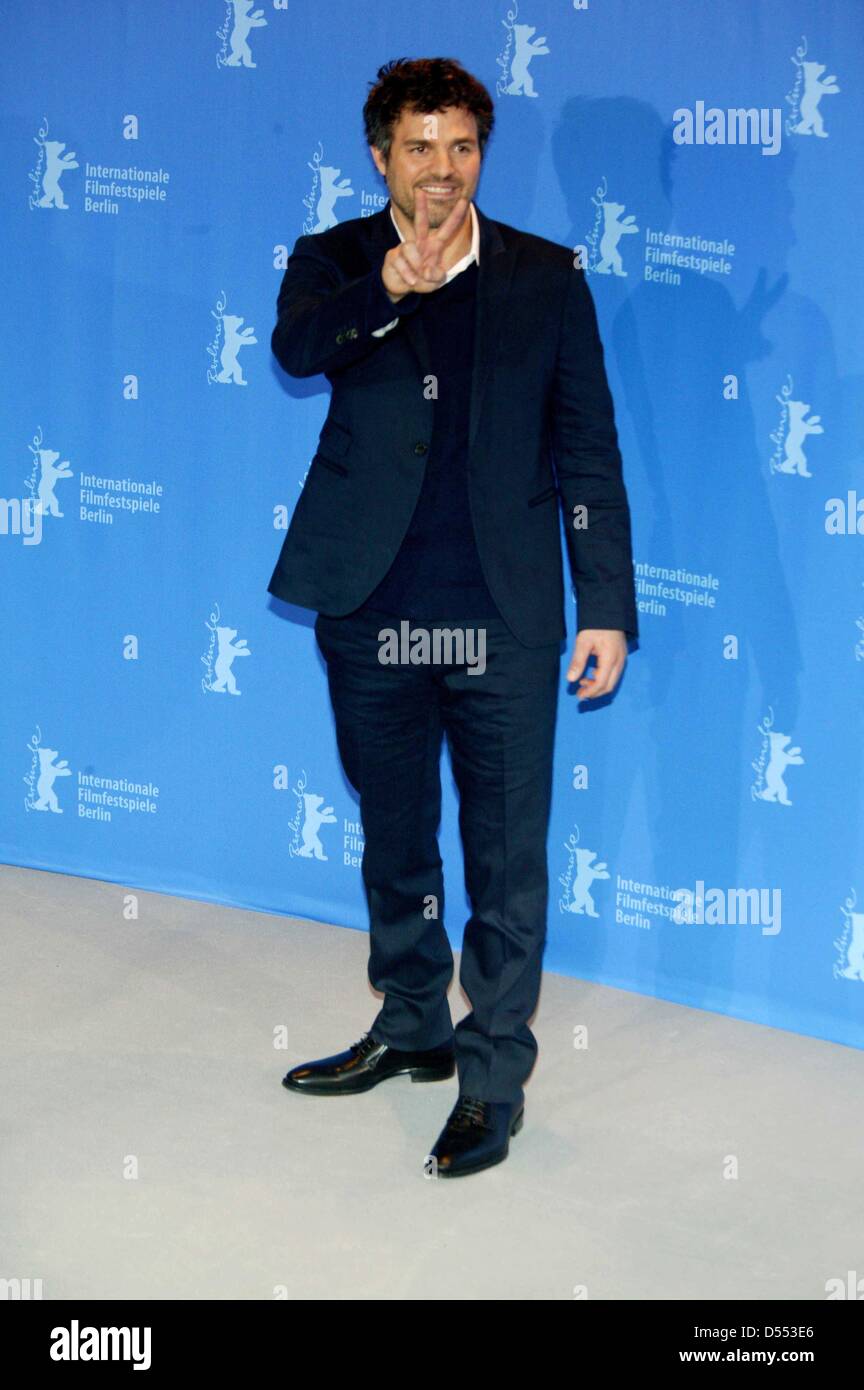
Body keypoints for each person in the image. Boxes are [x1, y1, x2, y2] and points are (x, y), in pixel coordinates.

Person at [268, 57, 639, 1177]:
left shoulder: (546, 276)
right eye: (419, 147)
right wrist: (388, 286)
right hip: (371, 607)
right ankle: (412, 1020)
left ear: (484, 153)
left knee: (505, 859)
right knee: (397, 838)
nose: (443, 168)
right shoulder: (333, 262)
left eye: (463, 146)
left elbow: (586, 447)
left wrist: (607, 603)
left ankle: (491, 1081)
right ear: (380, 154)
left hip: (505, 616)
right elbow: (296, 349)